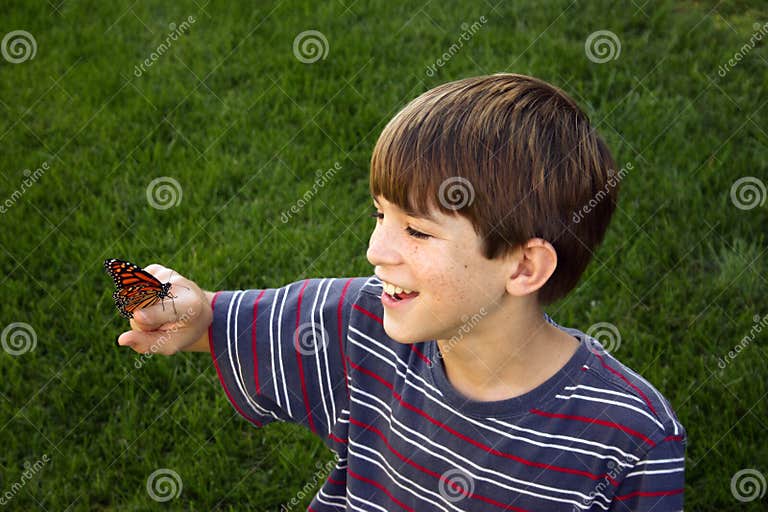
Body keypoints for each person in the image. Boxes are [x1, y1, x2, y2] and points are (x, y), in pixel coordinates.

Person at [117, 73, 686, 511]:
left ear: (523, 266)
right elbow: (223, 325)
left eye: (416, 230)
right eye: (379, 215)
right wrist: (194, 315)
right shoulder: (360, 324)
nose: (376, 250)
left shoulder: (631, 437)